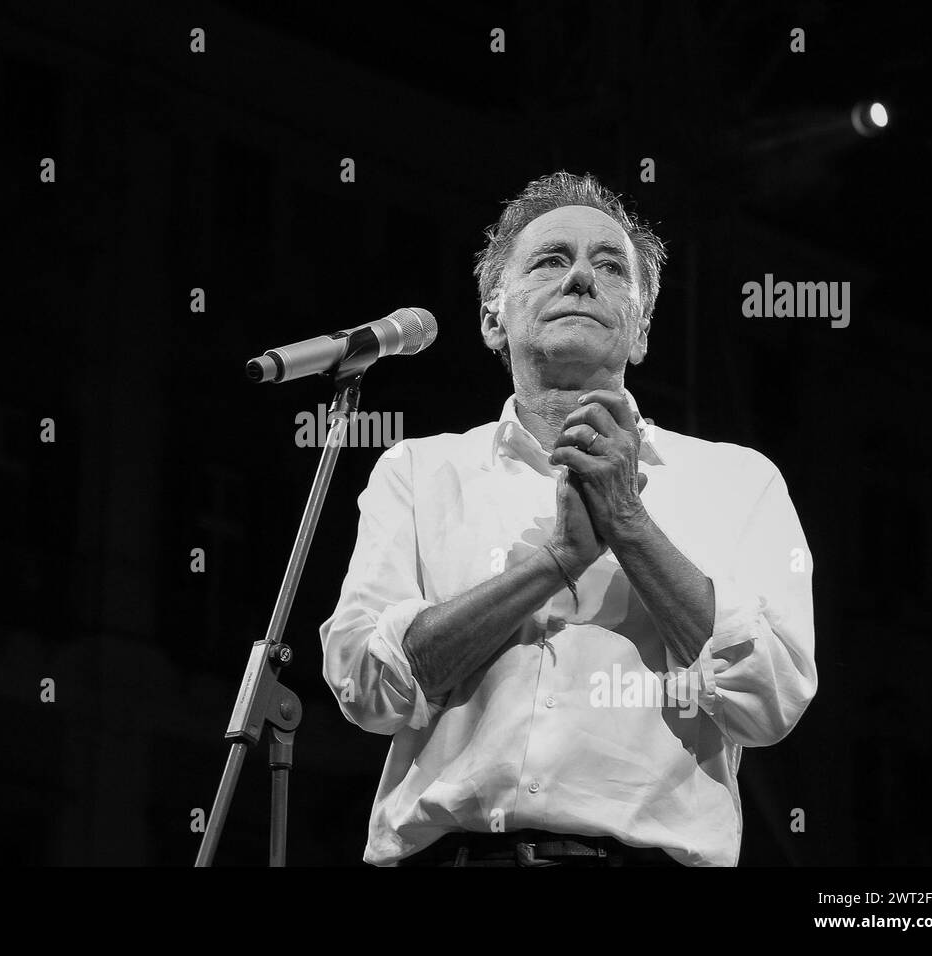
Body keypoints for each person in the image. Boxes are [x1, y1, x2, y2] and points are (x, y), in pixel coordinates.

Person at [319, 171, 817, 867]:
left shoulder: (739, 481)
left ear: (640, 330)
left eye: (610, 267)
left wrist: (628, 522)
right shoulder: (417, 472)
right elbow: (367, 689)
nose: (582, 277)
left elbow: (768, 702)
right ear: (495, 316)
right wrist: (553, 563)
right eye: (552, 260)